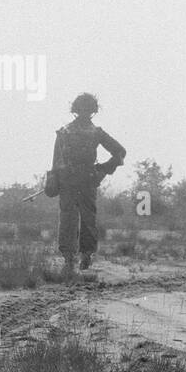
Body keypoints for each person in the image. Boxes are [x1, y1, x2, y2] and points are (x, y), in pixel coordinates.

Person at [49, 92, 126, 276]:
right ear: (76, 110)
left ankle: (85, 256)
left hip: (87, 181)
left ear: (92, 111)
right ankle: (69, 258)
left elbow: (120, 152)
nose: (85, 112)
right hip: (70, 181)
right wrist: (53, 180)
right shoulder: (64, 132)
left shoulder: (94, 133)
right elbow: (56, 161)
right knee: (68, 218)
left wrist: (102, 169)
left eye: (88, 109)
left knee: (87, 218)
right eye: (82, 109)